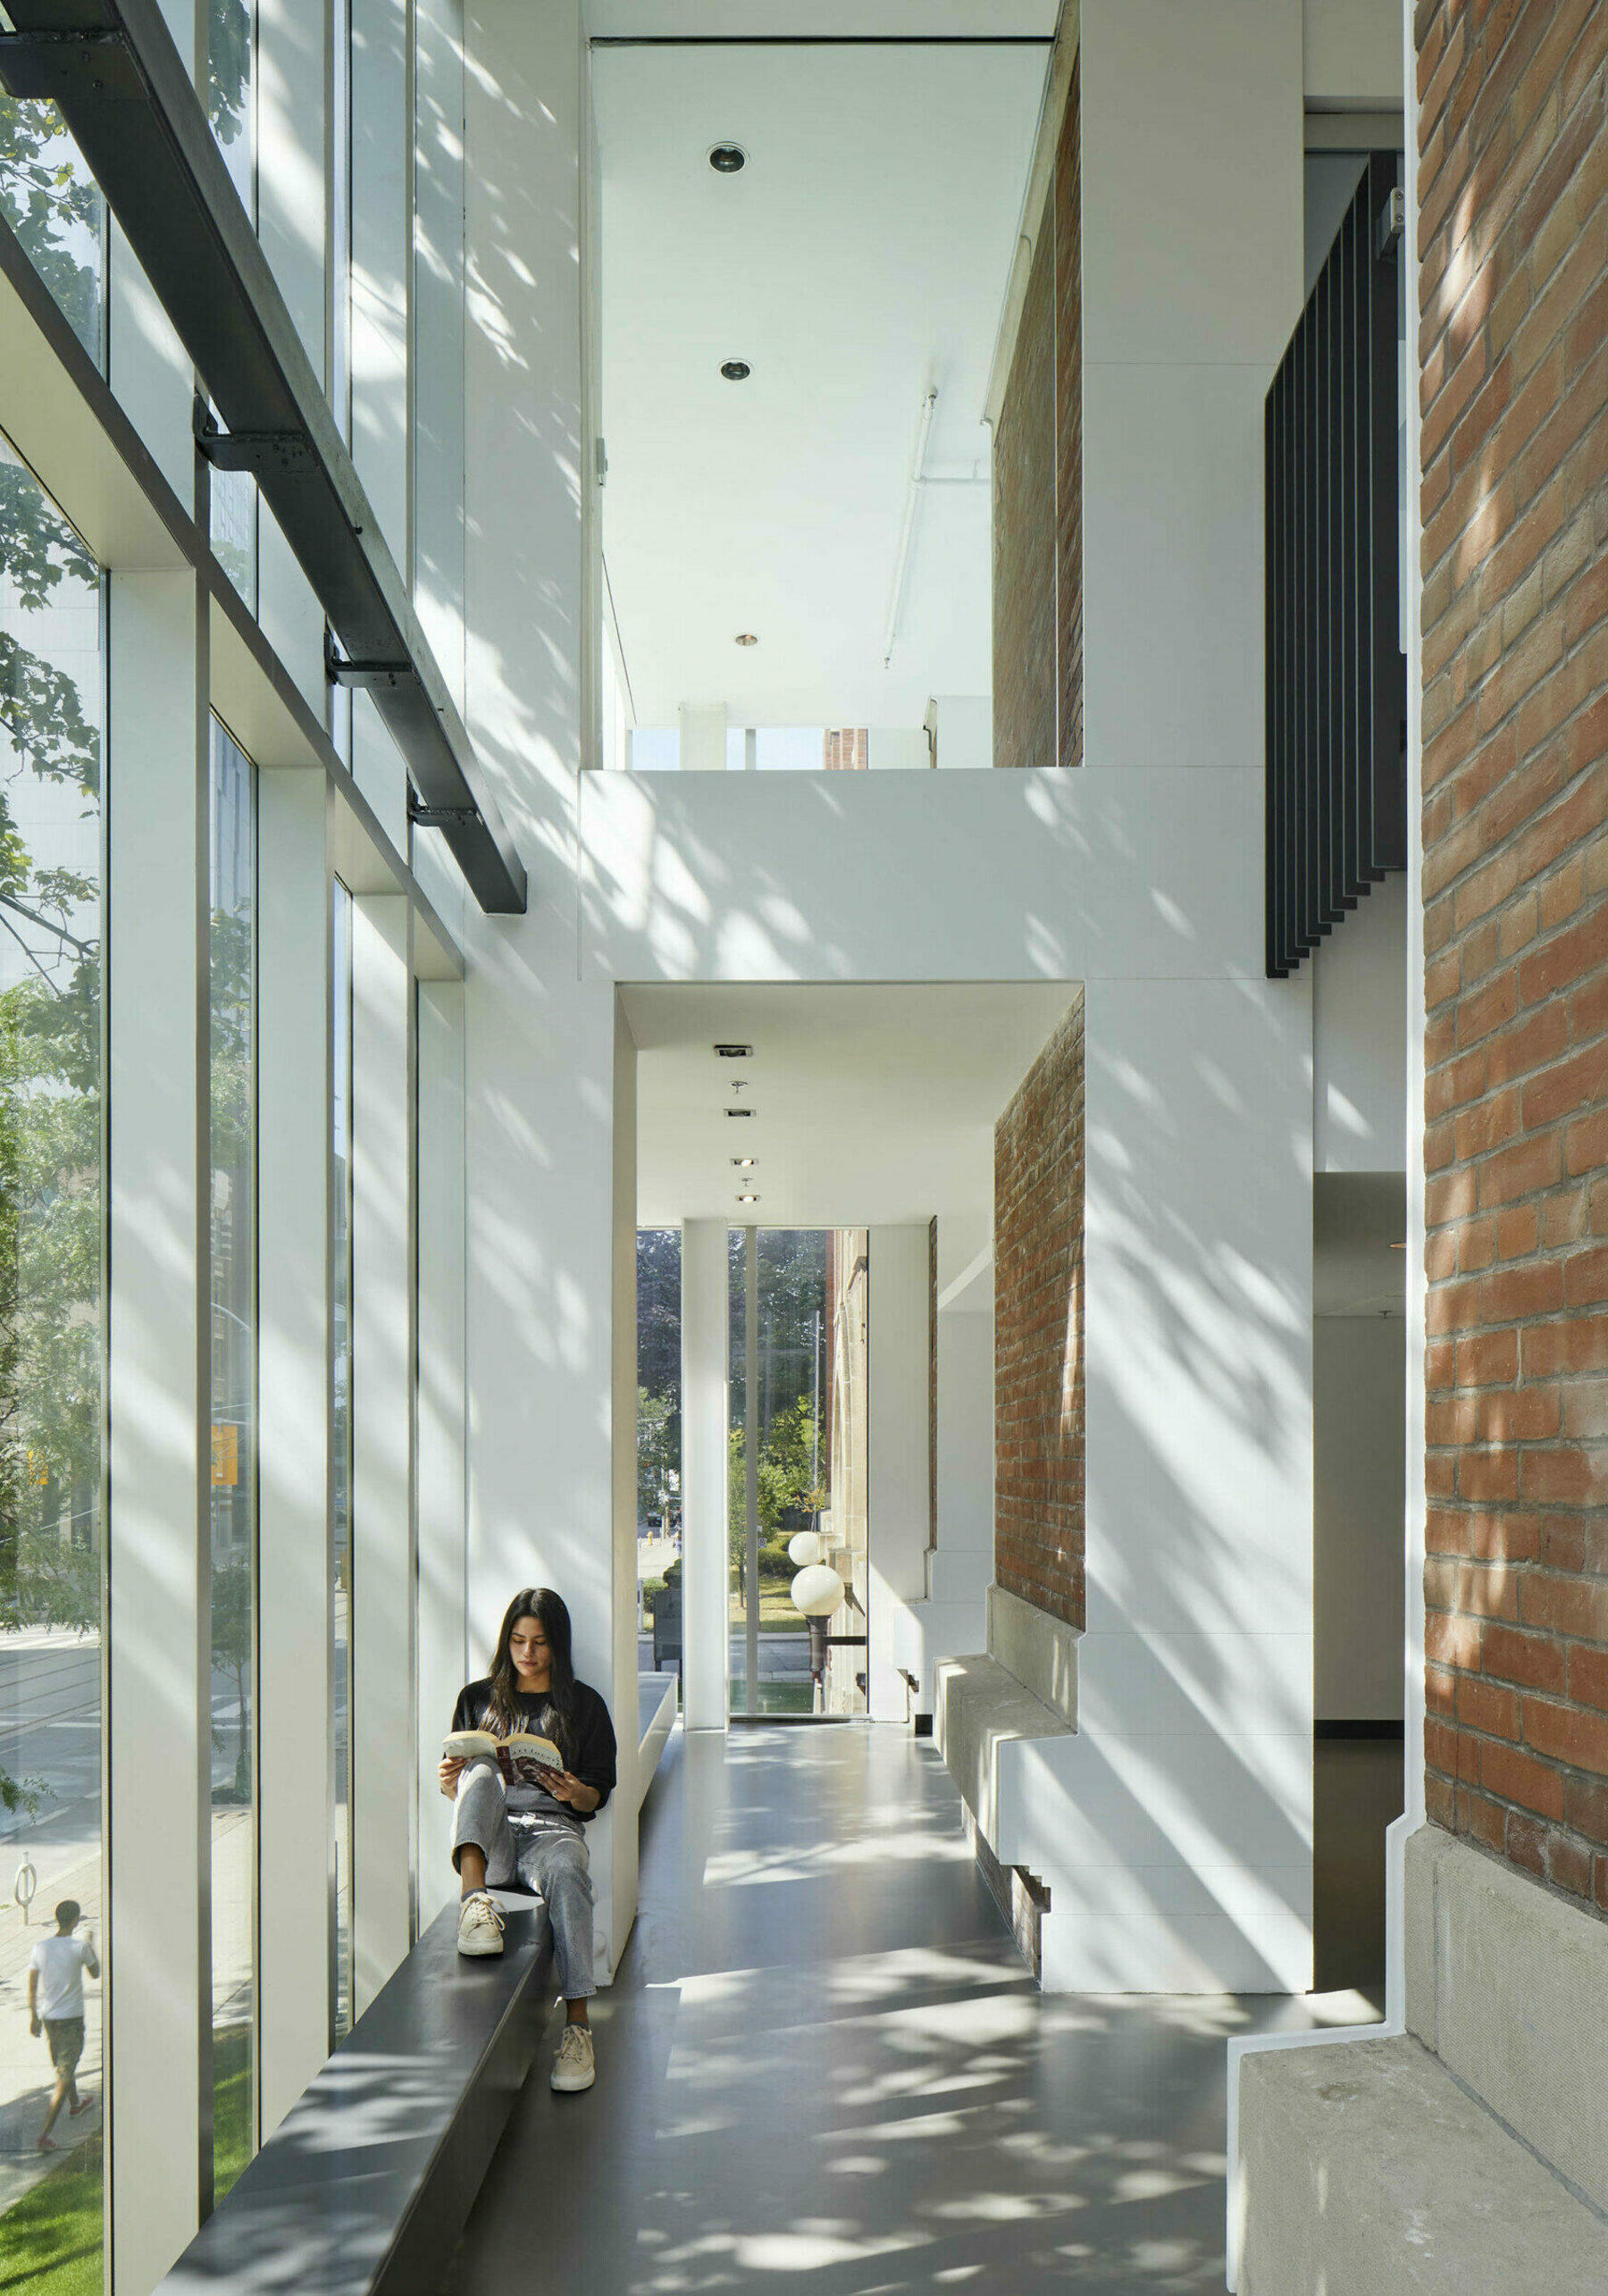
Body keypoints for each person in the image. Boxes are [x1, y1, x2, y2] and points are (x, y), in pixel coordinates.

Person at [439, 1588, 616, 2094]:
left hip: (552, 1831)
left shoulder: (584, 1706)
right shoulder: (476, 1699)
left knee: (566, 1871)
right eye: (517, 1641)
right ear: (506, 1642)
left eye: (539, 1642)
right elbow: (457, 1792)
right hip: (491, 1838)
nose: (527, 1654)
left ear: (557, 1646)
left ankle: (578, 2026)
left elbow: (596, 1796)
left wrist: (575, 1790)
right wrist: (451, 1780)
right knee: (478, 1772)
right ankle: (475, 1904)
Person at [27, 1899, 98, 2150]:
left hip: (49, 2019)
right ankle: (45, 2136)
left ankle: (76, 2104)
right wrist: (92, 1946)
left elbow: (33, 1984)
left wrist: (33, 2016)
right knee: (63, 2075)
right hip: (71, 2021)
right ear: (76, 1920)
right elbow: (96, 1972)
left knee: (64, 2067)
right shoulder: (80, 1947)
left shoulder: (40, 1948)